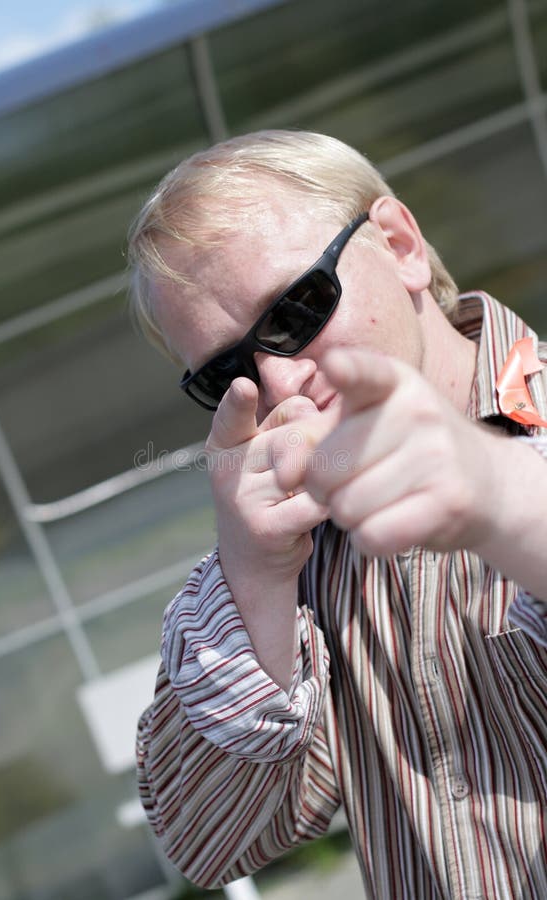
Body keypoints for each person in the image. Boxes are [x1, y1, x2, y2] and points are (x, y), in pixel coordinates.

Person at [128, 130, 547, 900]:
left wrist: (502, 498)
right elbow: (204, 840)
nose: (281, 382)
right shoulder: (290, 552)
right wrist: (251, 579)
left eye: (297, 308)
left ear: (399, 243)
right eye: (227, 372)